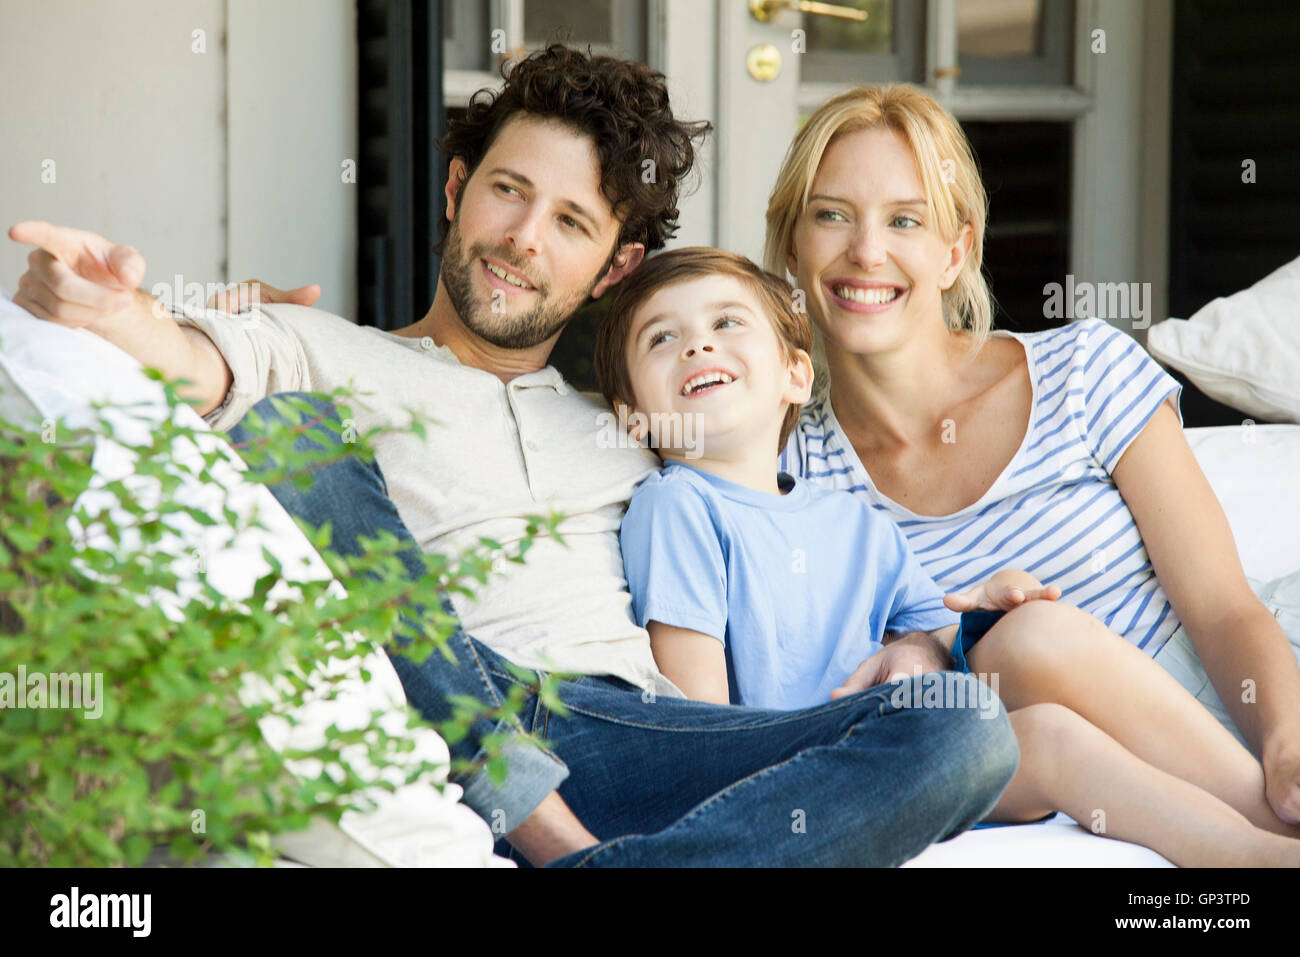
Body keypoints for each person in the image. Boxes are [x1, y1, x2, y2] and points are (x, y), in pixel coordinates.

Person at [6, 46, 1019, 867]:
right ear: (457, 189)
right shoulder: (317, 347)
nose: (524, 237)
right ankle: (548, 837)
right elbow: (191, 367)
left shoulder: (636, 420)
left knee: (962, 726)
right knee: (289, 432)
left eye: (570, 220)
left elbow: (789, 522)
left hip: (646, 739)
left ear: (616, 265)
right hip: (468, 703)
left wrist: (929, 639)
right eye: (507, 191)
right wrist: (110, 311)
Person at [594, 245, 1300, 865]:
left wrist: (988, 601)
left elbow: (937, 637)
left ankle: (1261, 853)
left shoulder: (848, 517)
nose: (697, 346)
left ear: (796, 377)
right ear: (632, 419)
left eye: (726, 323)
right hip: (811, 776)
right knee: (1031, 704)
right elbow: (702, 731)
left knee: (1049, 730)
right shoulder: (678, 504)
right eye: (662, 338)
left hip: (912, 748)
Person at [765, 83, 1300, 826]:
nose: (866, 251)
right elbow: (850, 695)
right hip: (1080, 766)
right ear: (791, 242)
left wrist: (1285, 744)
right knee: (1021, 638)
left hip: (1243, 695)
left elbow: (1222, 606)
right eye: (831, 215)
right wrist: (934, 646)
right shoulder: (791, 477)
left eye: (905, 220)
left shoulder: (1082, 370)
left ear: (957, 250)